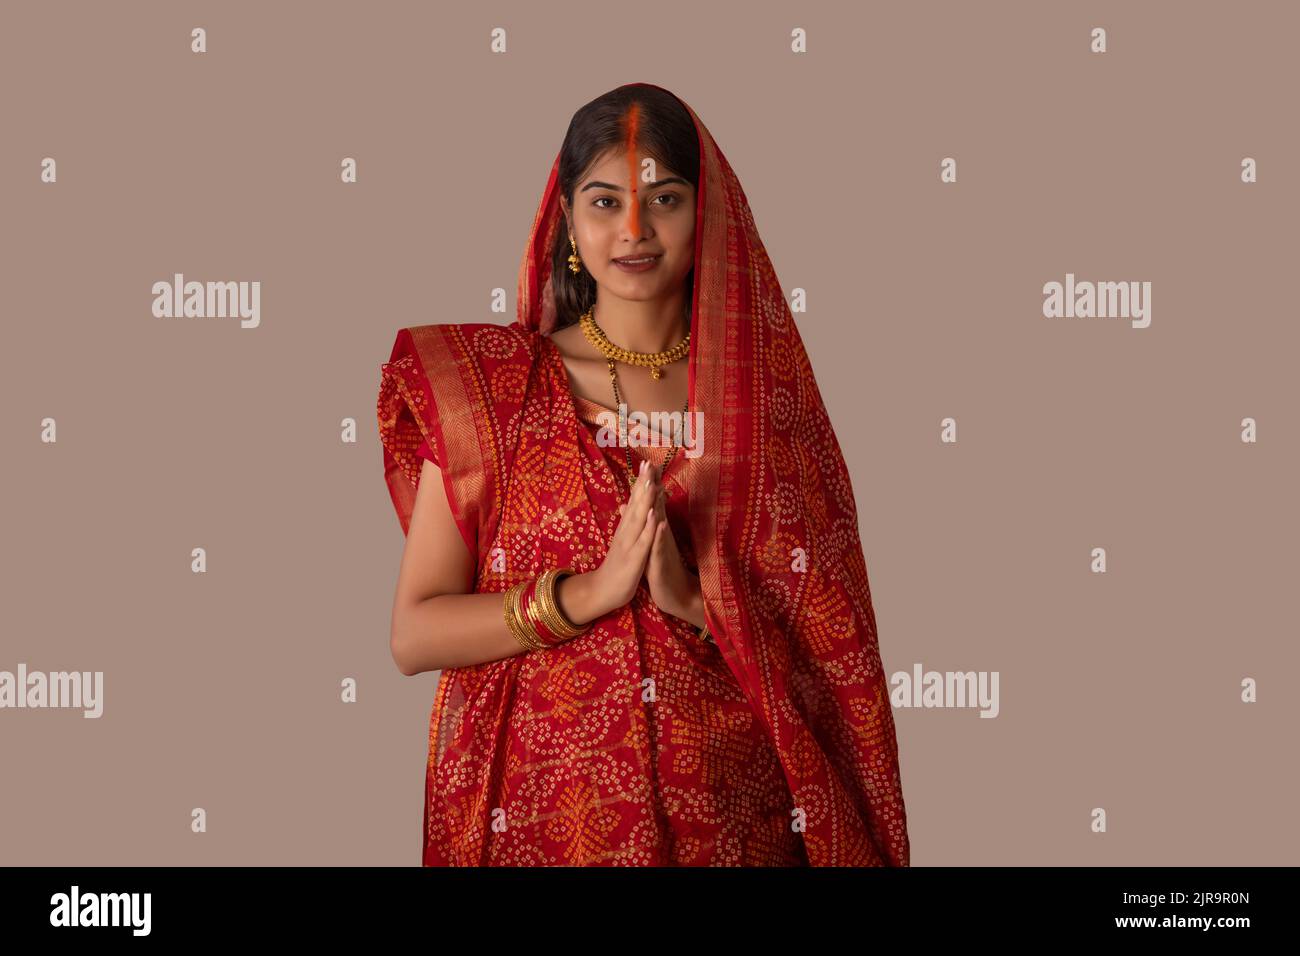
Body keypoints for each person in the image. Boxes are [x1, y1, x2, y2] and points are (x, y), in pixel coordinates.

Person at [377, 82, 910, 866]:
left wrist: (693, 601)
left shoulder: (765, 409)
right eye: (604, 202)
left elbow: (832, 661)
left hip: (735, 818)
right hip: (541, 821)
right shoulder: (494, 387)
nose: (633, 230)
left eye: (664, 198)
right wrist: (587, 594)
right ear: (565, 219)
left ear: (708, 217)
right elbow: (413, 632)